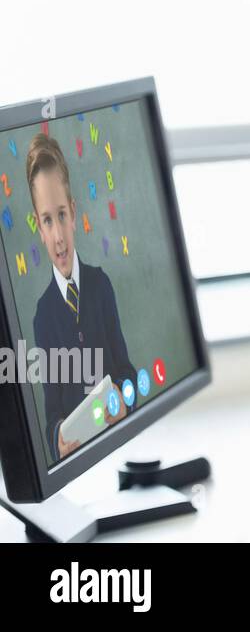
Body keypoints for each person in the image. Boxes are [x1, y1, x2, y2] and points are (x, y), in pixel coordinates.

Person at [27, 132, 136, 461]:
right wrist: (57, 438)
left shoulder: (100, 285)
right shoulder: (43, 316)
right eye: (48, 221)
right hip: (81, 463)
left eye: (61, 215)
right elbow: (52, 416)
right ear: (40, 228)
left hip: (115, 446)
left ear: (73, 213)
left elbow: (127, 372)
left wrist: (124, 400)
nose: (59, 237)